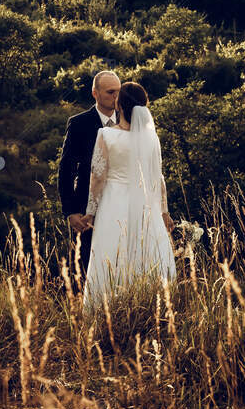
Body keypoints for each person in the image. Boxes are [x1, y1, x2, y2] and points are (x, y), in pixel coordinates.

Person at [81, 81, 175, 310]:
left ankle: (107, 311)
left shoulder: (106, 135)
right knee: (145, 252)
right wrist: (164, 212)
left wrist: (90, 213)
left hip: (114, 202)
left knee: (112, 253)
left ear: (119, 104)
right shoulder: (151, 138)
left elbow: (98, 177)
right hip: (145, 203)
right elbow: (158, 178)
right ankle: (148, 308)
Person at [58, 70, 121, 286]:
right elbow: (66, 168)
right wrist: (71, 210)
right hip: (87, 207)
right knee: (87, 263)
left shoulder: (129, 122)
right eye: (110, 92)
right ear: (95, 93)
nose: (116, 97)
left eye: (119, 91)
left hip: (123, 203)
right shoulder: (79, 123)